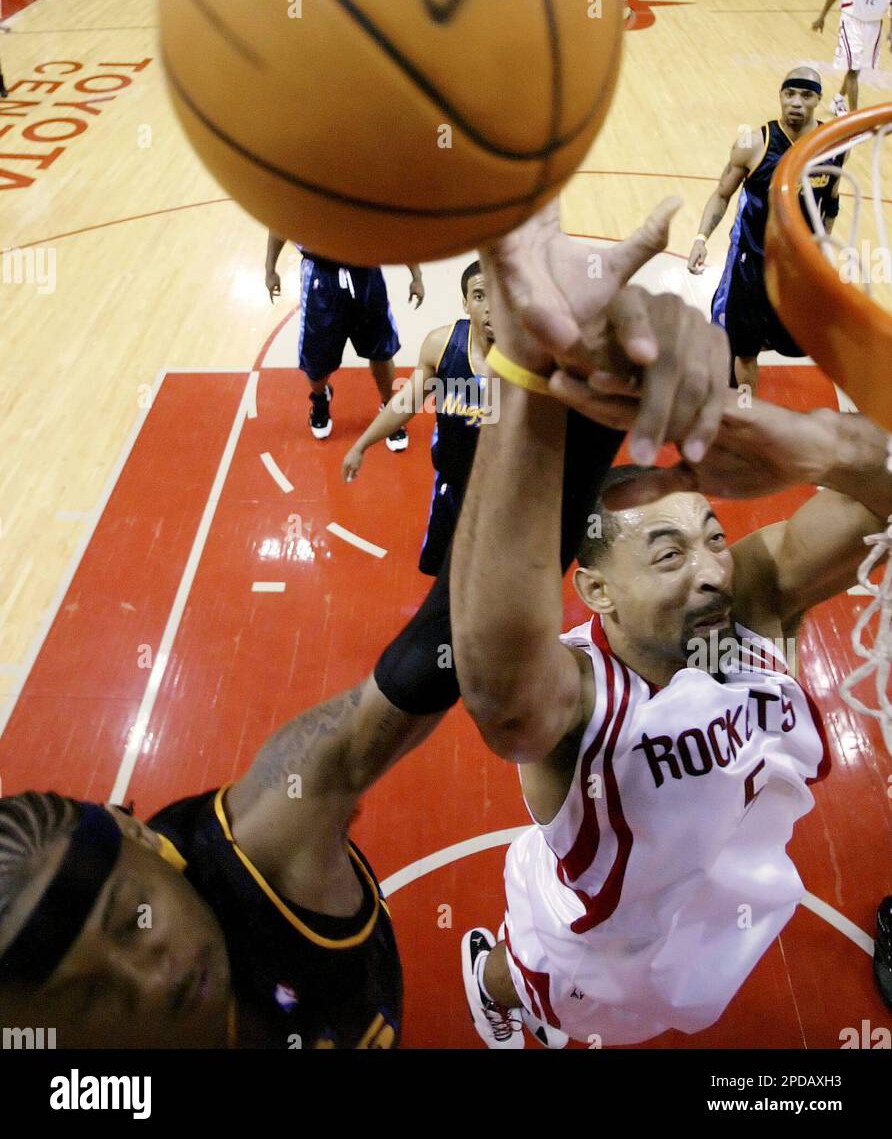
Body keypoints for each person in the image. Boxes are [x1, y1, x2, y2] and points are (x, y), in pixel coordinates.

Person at [0, 205, 730, 1048]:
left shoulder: (265, 842)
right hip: (473, 499)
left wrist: (576, 400)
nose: (153, 980)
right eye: (86, 1004)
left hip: (492, 508)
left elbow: (435, 654)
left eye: (132, 921)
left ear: (143, 841)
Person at [452, 233, 892, 1047]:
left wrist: (824, 445)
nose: (712, 572)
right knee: (527, 973)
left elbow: (880, 502)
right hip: (585, 944)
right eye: (667, 552)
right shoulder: (576, 695)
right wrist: (530, 380)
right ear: (596, 592)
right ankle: (490, 985)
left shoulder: (752, 612)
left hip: (721, 926)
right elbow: (496, 687)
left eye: (715, 538)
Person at [687, 69, 843, 394]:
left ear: (818, 100)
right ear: (781, 96)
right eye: (790, 94)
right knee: (743, 347)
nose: (796, 103)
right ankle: (746, 410)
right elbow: (721, 193)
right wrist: (701, 238)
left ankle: (753, 338)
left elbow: (831, 201)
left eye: (806, 95)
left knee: (795, 342)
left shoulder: (834, 147)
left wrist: (823, 249)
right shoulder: (754, 144)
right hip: (751, 259)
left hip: (796, 264)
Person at [342, 261, 492, 576]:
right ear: (465, 302)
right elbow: (406, 403)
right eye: (480, 296)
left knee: (494, 574)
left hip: (507, 491)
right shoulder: (442, 345)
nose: (491, 306)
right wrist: (361, 444)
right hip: (452, 484)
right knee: (440, 569)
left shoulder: (533, 357)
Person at [265, 233, 424, 442]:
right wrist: (270, 270)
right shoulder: (302, 201)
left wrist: (416, 276)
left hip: (366, 275)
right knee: (316, 360)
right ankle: (320, 399)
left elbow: (394, 229)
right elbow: (279, 224)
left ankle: (389, 410)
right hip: (320, 277)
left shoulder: (371, 201)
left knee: (382, 351)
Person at [813, 0, 892, 114]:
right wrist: (822, 17)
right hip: (852, 20)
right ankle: (853, 116)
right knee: (854, 68)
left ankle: (838, 100)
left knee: (856, 69)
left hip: (874, 24)